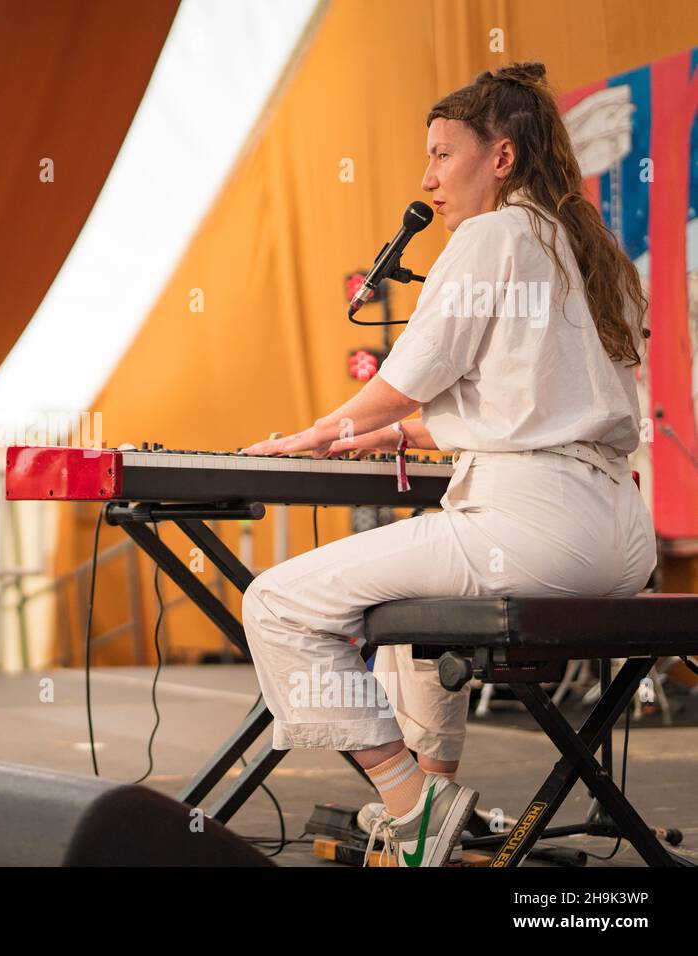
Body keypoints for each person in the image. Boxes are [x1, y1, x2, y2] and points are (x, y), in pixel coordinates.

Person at [238, 62, 654, 867]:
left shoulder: (489, 236)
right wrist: (408, 436)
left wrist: (321, 432)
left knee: (277, 603)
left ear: (500, 157)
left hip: (537, 526)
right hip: (617, 537)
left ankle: (413, 804)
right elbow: (541, 404)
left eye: (441, 154)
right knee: (405, 622)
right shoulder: (590, 247)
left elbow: (406, 379)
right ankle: (434, 809)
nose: (427, 178)